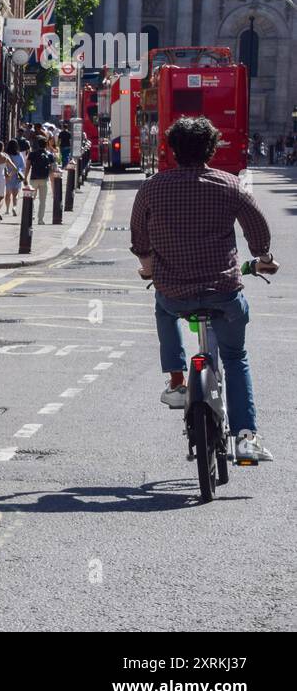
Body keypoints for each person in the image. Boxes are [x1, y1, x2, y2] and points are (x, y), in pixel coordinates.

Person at [131, 117, 278, 462]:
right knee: (235, 357)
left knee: (163, 308)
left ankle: (177, 381)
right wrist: (264, 258)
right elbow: (258, 230)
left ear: (173, 150)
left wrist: (148, 269)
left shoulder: (152, 188)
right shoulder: (230, 184)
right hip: (223, 291)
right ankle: (246, 438)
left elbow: (140, 239)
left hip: (174, 292)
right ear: (211, 150)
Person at [26, 135, 58, 224]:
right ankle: (40, 219)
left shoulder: (32, 154)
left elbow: (28, 166)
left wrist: (25, 177)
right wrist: (53, 184)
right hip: (44, 179)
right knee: (42, 201)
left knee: (31, 198)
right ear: (46, 145)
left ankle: (31, 214)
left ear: (38, 144)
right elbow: (53, 170)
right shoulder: (50, 155)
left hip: (33, 178)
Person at [3, 138, 25, 216]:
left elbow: (4, 165)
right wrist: (19, 170)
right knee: (16, 194)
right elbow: (23, 166)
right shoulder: (19, 155)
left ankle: (7, 209)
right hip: (17, 176)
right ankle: (14, 207)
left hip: (8, 176)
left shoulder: (6, 155)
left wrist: (6, 173)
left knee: (8, 194)